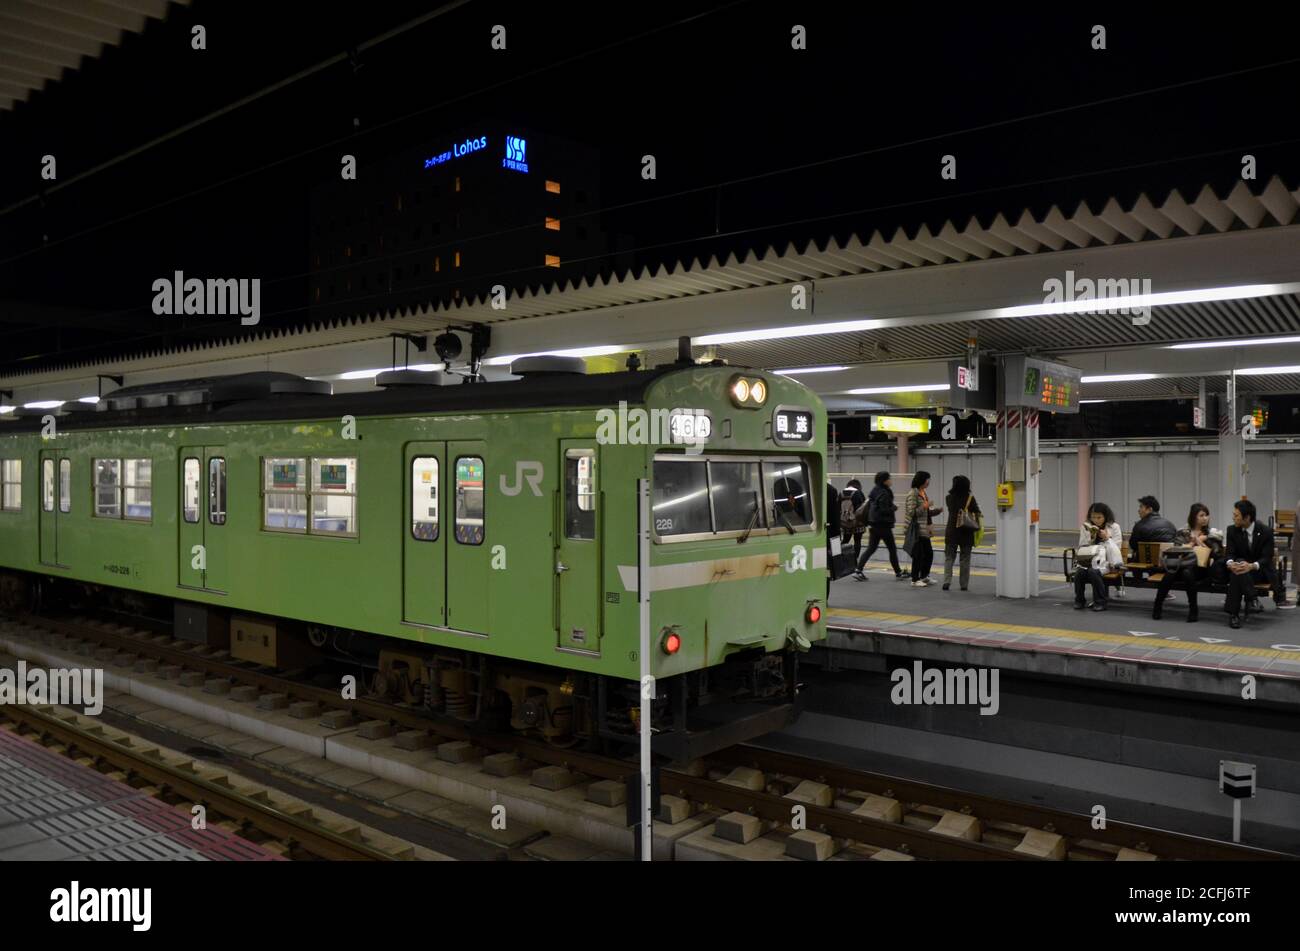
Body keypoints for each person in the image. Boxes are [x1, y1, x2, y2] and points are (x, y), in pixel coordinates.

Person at [1152, 503, 1222, 623]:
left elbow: (1216, 554)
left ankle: (1193, 609)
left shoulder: (1212, 534)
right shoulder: (1183, 532)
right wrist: (1191, 544)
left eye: (1207, 515)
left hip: (1200, 569)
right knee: (1171, 573)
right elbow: (1176, 550)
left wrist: (1201, 541)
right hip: (1181, 565)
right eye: (1201, 515)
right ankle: (1157, 605)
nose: (1205, 518)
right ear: (1194, 517)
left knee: (1186, 572)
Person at [1223, 499, 1275, 629]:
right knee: (1239, 569)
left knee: (1238, 573)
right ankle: (1253, 599)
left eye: (1236, 515)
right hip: (1239, 570)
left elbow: (1267, 558)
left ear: (1247, 518)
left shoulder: (1266, 531)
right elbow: (1229, 553)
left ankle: (1234, 615)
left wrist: (1251, 566)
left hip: (1258, 571)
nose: (1233, 518)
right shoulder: (1232, 530)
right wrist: (1230, 563)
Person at [854, 471, 905, 581]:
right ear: (884, 481)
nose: (891, 480)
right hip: (883, 525)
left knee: (871, 548)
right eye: (889, 478)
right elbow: (883, 509)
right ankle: (898, 572)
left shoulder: (875, 490)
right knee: (892, 549)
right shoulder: (884, 492)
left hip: (874, 524)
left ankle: (858, 570)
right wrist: (894, 508)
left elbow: (877, 507)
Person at [1074, 502, 1122, 611]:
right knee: (1080, 572)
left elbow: (1117, 549)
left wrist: (1107, 539)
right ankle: (1079, 600)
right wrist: (1091, 538)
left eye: (1099, 517)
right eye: (1093, 517)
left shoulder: (1114, 527)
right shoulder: (1086, 527)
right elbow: (1082, 546)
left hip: (1107, 562)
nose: (1096, 520)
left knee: (1093, 571)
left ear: (1106, 516)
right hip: (1089, 560)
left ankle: (1100, 602)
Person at [942, 475, 981, 591]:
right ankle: (964, 585)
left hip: (952, 531)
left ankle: (946, 581)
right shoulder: (970, 498)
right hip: (966, 531)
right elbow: (977, 512)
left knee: (949, 557)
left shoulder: (948, 498)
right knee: (965, 558)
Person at [904, 471, 943, 587]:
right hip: (916, 530)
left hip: (924, 529)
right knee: (918, 555)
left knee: (928, 553)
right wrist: (925, 505)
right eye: (927, 479)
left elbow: (925, 512)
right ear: (921, 480)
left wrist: (937, 511)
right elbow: (912, 512)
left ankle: (924, 576)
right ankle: (915, 579)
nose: (928, 481)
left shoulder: (923, 493)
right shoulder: (913, 493)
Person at [839, 478, 866, 564]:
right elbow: (862, 508)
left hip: (845, 522)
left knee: (845, 540)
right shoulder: (858, 493)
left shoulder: (841, 493)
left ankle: (840, 558)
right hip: (857, 523)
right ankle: (855, 561)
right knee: (857, 541)